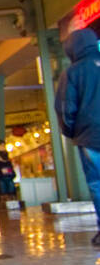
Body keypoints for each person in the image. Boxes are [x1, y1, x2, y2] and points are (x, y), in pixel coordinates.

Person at [54, 26, 100, 246]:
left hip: (90, 137)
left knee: (98, 184)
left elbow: (65, 108)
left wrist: (71, 131)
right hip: (89, 134)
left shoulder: (72, 73)